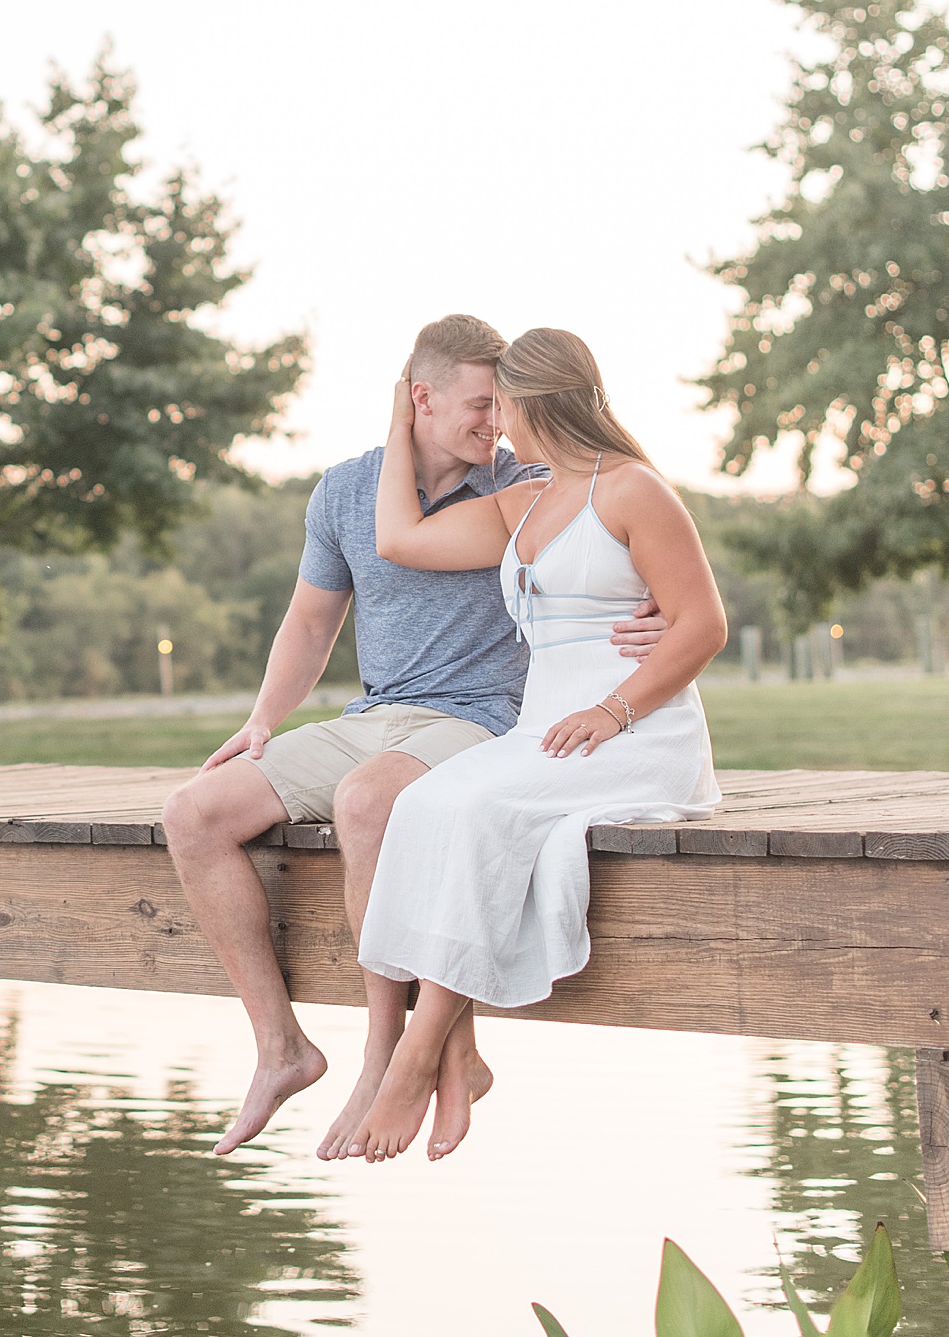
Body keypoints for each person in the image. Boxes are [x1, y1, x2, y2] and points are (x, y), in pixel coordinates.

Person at [161, 314, 667, 1159]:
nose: (497, 422)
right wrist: (262, 719)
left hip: (483, 719)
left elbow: (624, 524)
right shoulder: (344, 491)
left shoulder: (525, 480)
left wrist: (655, 609)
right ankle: (282, 1049)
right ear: (419, 399)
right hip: (375, 717)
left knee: (367, 804)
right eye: (480, 405)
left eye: (503, 405)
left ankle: (385, 1058)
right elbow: (311, 620)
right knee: (193, 813)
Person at [344, 326, 727, 1164]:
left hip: (636, 733)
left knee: (478, 809)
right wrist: (399, 414)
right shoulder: (525, 502)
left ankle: (416, 1056)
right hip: (545, 731)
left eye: (501, 406)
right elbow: (398, 537)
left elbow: (702, 624)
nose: (494, 423)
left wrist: (614, 710)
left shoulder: (634, 491)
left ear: (533, 405)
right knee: (423, 805)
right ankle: (458, 1061)